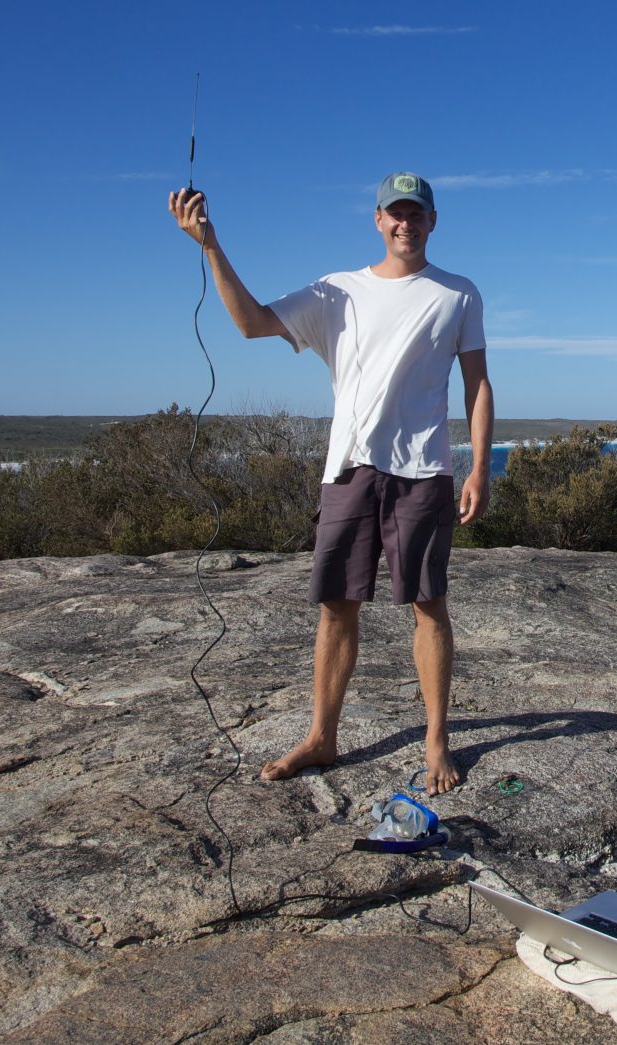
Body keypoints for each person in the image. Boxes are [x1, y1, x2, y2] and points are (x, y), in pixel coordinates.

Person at [168, 172, 493, 796]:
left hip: (423, 470)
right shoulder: (336, 292)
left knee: (429, 606)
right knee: (336, 606)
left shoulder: (459, 294)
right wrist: (209, 245)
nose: (406, 224)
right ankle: (322, 736)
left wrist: (478, 466)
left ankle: (435, 739)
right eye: (395, 213)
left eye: (417, 214)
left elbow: (477, 385)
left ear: (432, 221)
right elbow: (251, 323)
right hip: (349, 467)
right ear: (377, 220)